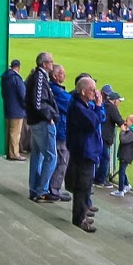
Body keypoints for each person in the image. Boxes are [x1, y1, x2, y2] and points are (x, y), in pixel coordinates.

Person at [65, 77, 105, 233]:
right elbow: (93, 123)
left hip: (85, 150)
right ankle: (79, 218)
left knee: (85, 185)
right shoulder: (78, 107)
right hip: (84, 151)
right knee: (82, 185)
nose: (96, 93)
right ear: (83, 91)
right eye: (92, 90)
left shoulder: (82, 105)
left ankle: (81, 215)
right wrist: (99, 106)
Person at [25, 51, 59, 200]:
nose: (53, 64)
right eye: (51, 61)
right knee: (51, 157)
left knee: (37, 156)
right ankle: (42, 190)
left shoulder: (37, 76)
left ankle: (34, 189)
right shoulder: (39, 77)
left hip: (35, 121)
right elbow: (38, 102)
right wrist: (49, 116)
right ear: (44, 64)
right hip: (42, 122)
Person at [48, 65, 73, 202]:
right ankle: (54, 189)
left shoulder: (51, 88)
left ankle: (51, 188)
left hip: (56, 129)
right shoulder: (58, 92)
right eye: (62, 73)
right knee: (61, 162)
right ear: (55, 76)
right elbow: (71, 105)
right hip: (61, 131)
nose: (64, 75)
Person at [1, 60, 27, 160]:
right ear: (18, 67)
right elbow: (22, 95)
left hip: (8, 108)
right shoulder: (17, 79)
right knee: (15, 133)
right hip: (17, 110)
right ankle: (14, 154)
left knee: (9, 132)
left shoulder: (5, 77)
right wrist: (25, 106)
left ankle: (9, 152)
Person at [99, 85, 125, 185]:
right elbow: (120, 122)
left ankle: (99, 177)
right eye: (119, 101)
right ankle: (101, 179)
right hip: (105, 136)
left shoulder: (104, 105)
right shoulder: (112, 108)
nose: (119, 103)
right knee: (105, 158)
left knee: (100, 157)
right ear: (114, 101)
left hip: (100, 135)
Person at [113, 114, 133, 196]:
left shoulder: (132, 133)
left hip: (126, 154)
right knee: (122, 171)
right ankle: (127, 185)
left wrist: (122, 131)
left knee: (121, 172)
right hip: (126, 154)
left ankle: (121, 190)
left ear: (132, 122)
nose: (125, 122)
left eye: (127, 121)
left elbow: (123, 140)